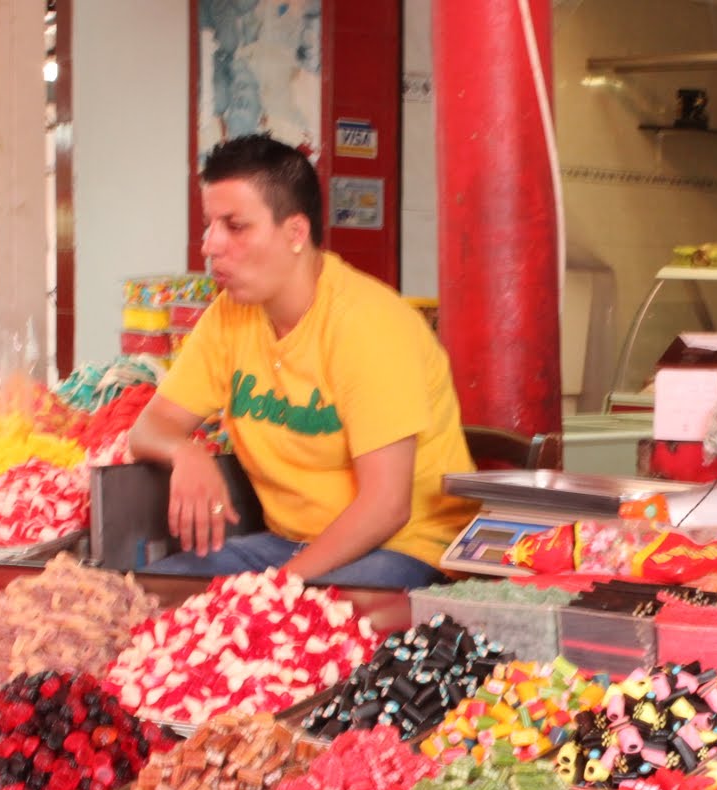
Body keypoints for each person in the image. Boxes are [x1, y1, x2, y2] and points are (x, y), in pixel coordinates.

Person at [129, 134, 476, 588]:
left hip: (405, 547)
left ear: (295, 232)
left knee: (303, 625)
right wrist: (186, 451)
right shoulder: (229, 317)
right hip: (289, 544)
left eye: (234, 226)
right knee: (153, 589)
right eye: (209, 225)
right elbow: (148, 429)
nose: (210, 246)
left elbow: (387, 507)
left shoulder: (368, 324)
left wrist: (275, 590)